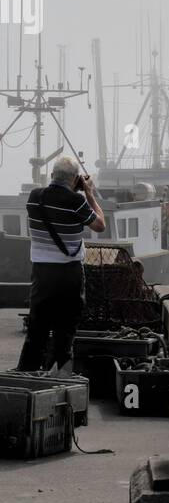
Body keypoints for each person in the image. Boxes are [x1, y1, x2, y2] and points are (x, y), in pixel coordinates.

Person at [16, 157, 106, 374]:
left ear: (51, 175)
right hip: (69, 275)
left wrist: (74, 188)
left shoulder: (34, 197)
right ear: (75, 179)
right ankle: (60, 381)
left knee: (36, 332)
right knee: (64, 334)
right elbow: (100, 225)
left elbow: (54, 201)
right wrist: (89, 194)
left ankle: (26, 377)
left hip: (42, 274)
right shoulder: (76, 202)